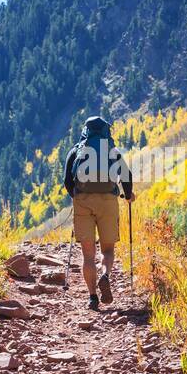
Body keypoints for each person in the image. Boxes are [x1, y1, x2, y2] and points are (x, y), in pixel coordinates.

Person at [63, 116, 134, 310]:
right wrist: (128, 196)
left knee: (88, 254)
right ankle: (106, 275)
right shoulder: (113, 151)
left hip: (83, 202)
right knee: (107, 249)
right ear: (106, 131)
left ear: (85, 131)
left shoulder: (76, 150)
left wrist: (77, 196)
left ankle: (92, 297)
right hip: (108, 202)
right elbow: (126, 176)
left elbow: (67, 181)